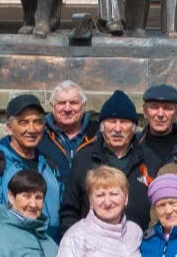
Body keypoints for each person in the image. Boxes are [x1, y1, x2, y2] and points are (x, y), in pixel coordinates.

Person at [60, 89, 150, 230]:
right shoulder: (84, 159)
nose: (117, 128)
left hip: (137, 244)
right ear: (102, 126)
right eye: (112, 121)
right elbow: (69, 211)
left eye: (124, 122)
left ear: (134, 127)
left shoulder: (149, 159)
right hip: (92, 246)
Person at [0, 94, 64, 237]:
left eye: (37, 122)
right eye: (23, 122)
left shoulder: (49, 164)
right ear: (9, 128)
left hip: (49, 248)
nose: (31, 129)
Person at [39, 80, 98, 179]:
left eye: (73, 103)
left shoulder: (98, 135)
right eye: (61, 103)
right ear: (52, 106)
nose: (67, 109)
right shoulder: (40, 136)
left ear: (84, 106)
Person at [138, 83, 177, 172]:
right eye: (154, 107)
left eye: (167, 108)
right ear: (145, 111)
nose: (160, 114)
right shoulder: (133, 145)